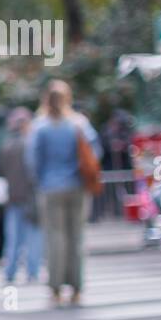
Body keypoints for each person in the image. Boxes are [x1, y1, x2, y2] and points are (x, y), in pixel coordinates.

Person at [27, 79, 99, 307]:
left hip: (50, 187)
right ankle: (76, 287)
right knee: (76, 237)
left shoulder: (40, 126)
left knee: (55, 238)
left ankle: (56, 287)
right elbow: (95, 151)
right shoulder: (78, 123)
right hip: (77, 185)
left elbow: (33, 160)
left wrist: (41, 180)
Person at [0, 107, 42, 285]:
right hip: (29, 197)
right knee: (33, 237)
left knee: (13, 238)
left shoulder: (6, 146)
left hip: (12, 196)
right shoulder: (29, 145)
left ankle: (10, 271)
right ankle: (32, 271)